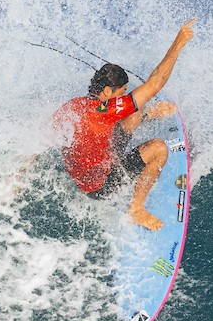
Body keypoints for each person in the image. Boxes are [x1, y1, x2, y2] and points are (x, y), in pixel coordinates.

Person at [53, 19, 196, 231]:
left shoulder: (73, 106)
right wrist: (179, 43)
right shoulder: (105, 113)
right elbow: (155, 84)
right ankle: (137, 209)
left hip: (91, 167)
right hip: (100, 186)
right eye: (122, 92)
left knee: (133, 114)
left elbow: (41, 136)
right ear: (107, 91)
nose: (123, 96)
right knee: (158, 148)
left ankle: (148, 113)